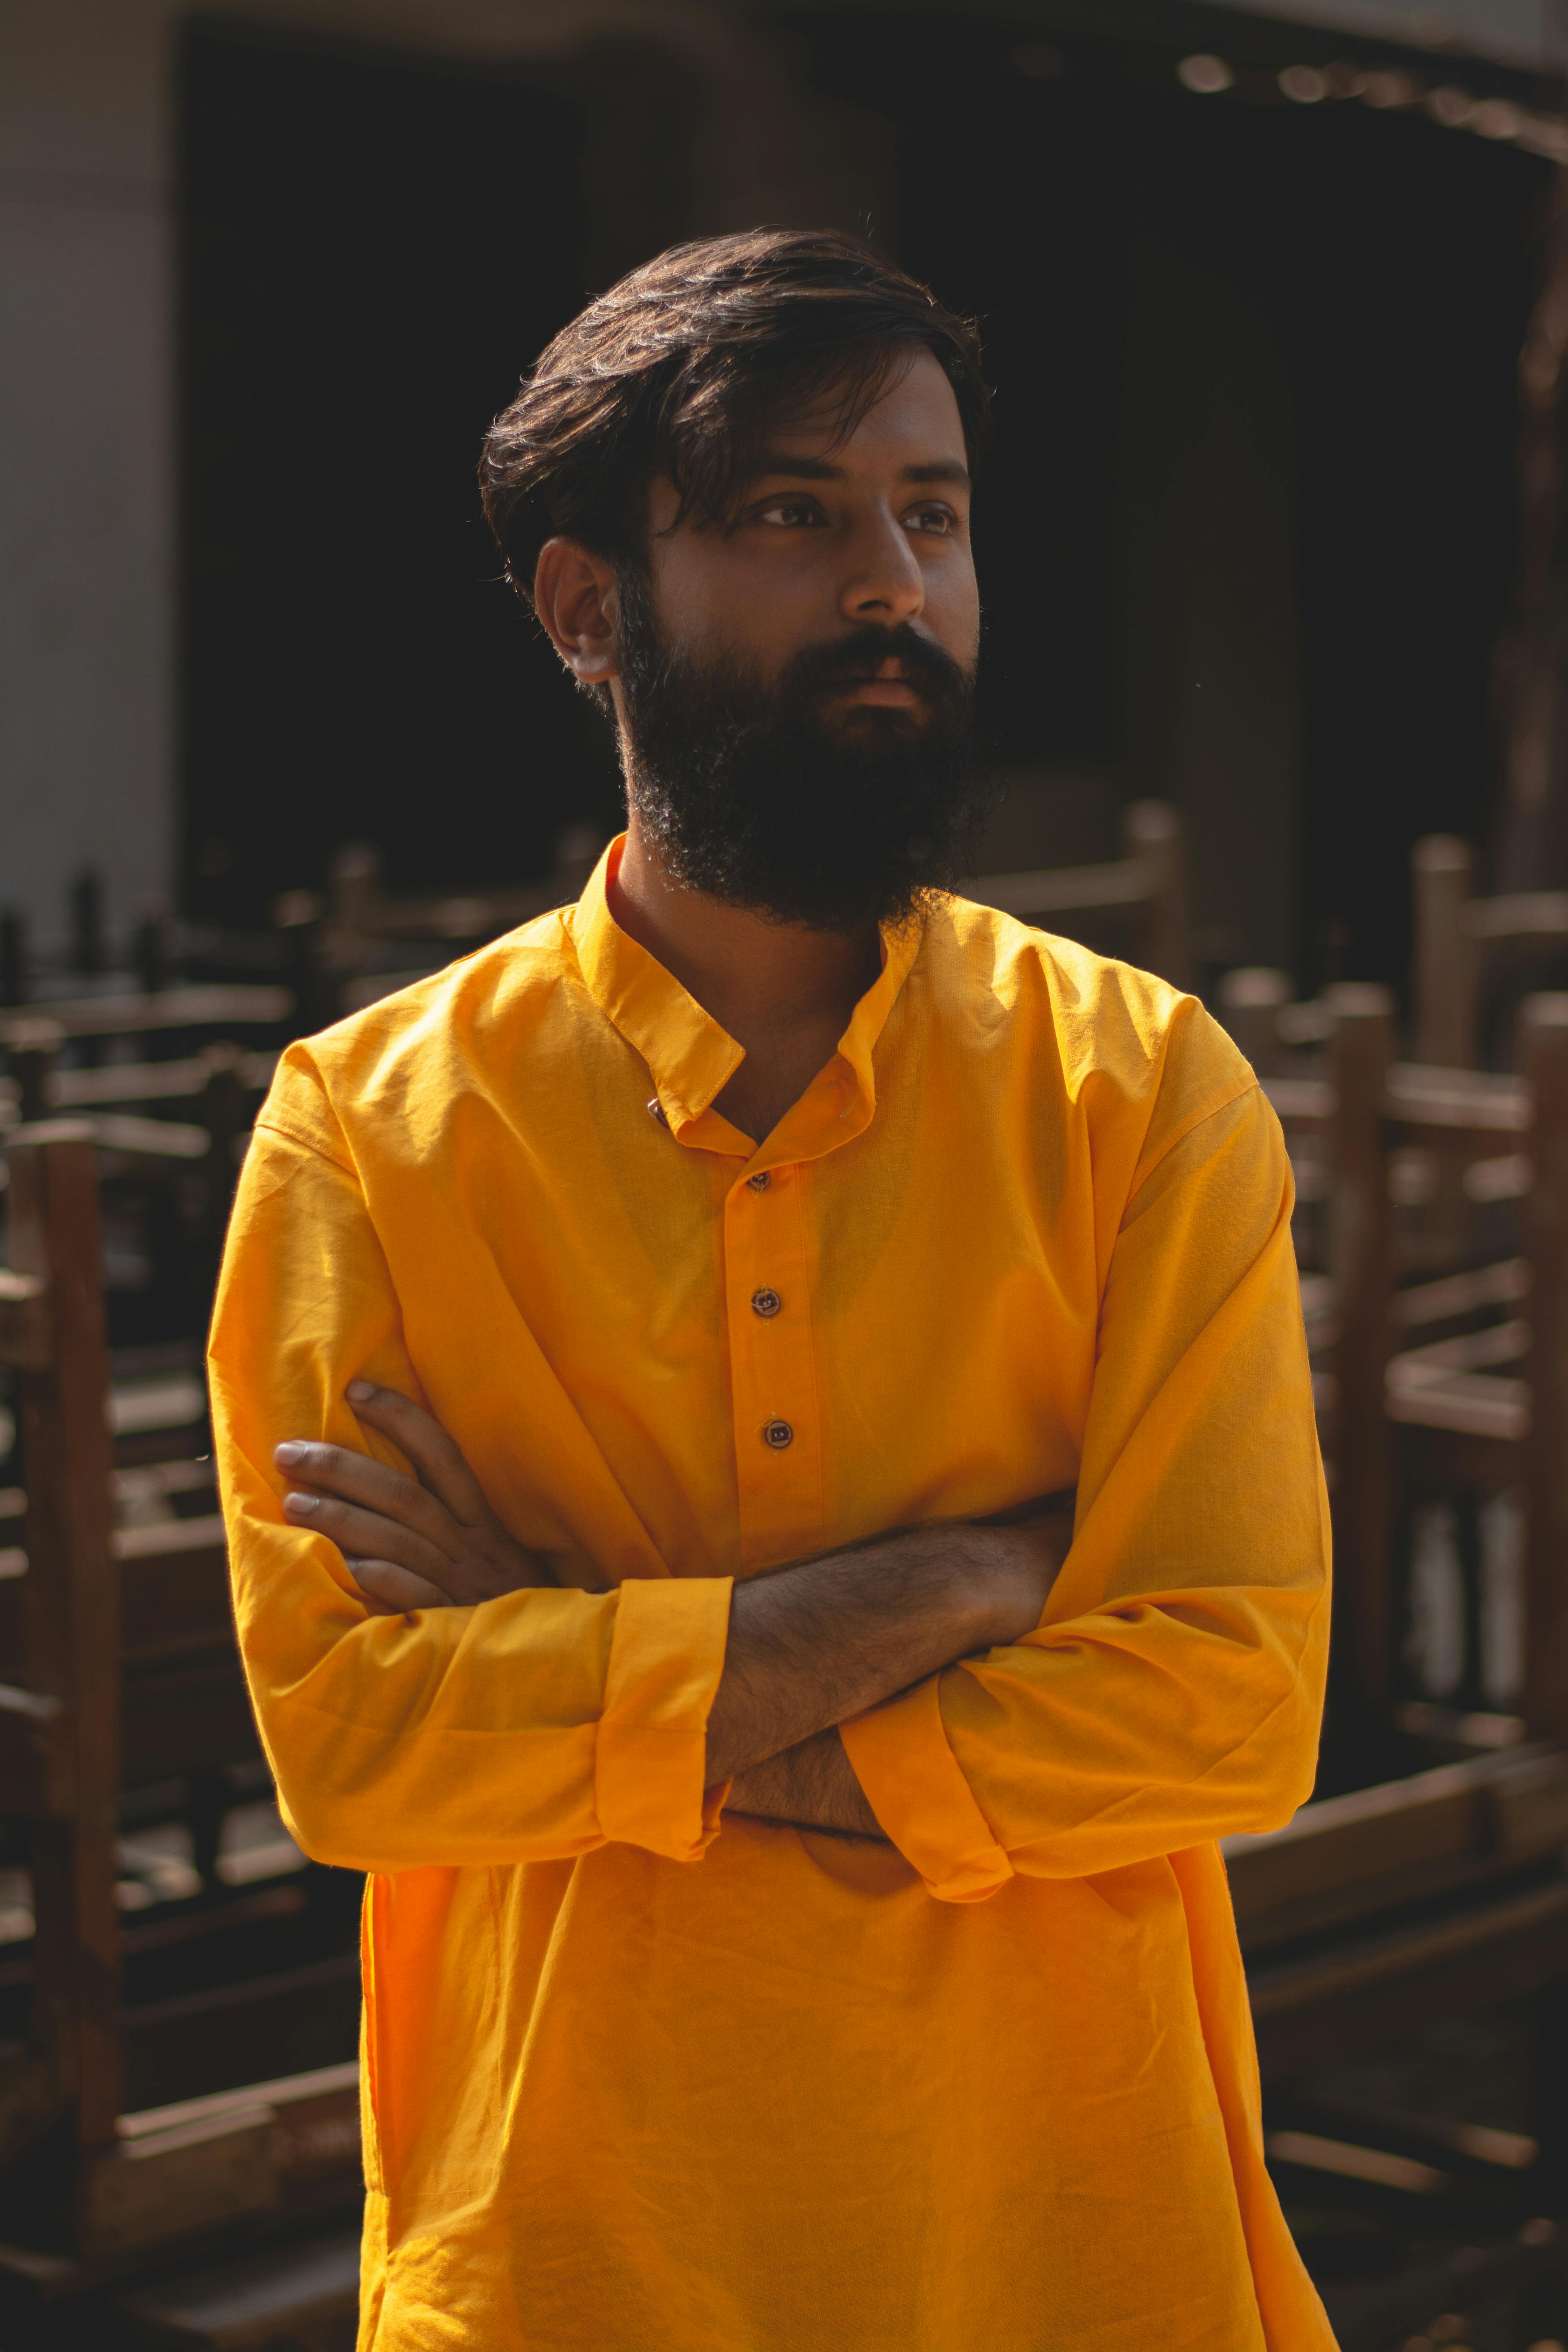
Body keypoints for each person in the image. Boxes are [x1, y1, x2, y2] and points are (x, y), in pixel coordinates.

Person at [210, 229, 1334, 2350]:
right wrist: (964, 1586)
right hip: (572, 2247)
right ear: (584, 610)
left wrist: (584, 1669)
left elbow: (1236, 1707)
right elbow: (360, 1748)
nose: (889, 583)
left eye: (932, 514)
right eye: (789, 517)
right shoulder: (371, 1127)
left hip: (1071, 2233)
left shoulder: (1137, 1089)